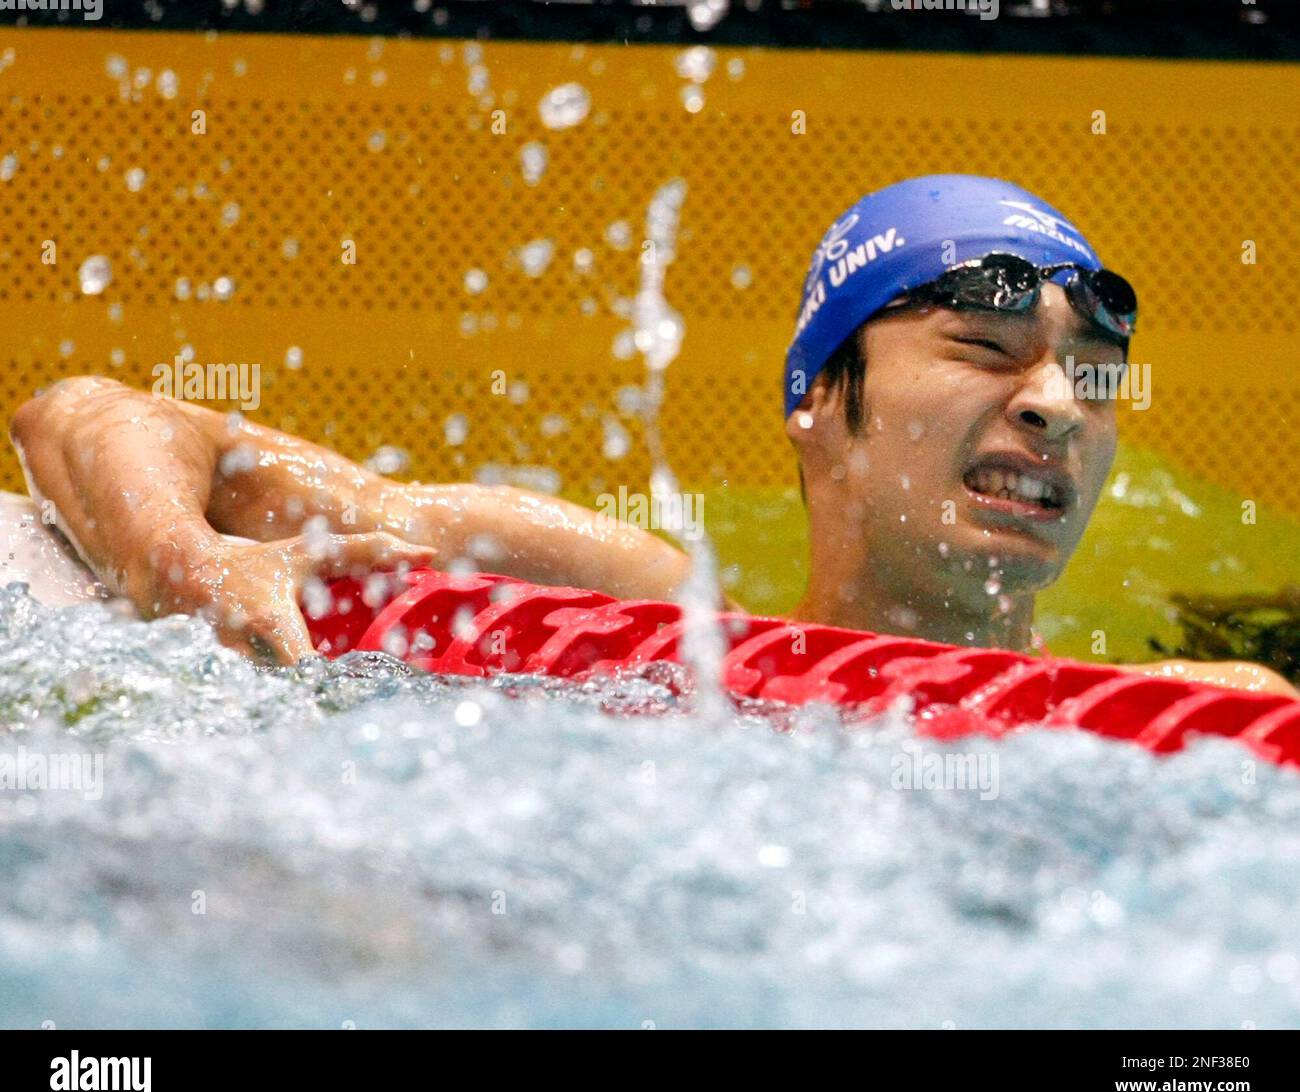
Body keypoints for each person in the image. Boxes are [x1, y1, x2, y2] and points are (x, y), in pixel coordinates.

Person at [6, 174, 1295, 695]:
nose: (1060, 406)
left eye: (1092, 379)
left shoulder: (1198, 712)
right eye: (985, 349)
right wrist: (184, 562)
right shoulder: (641, 604)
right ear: (818, 403)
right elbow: (95, 417)